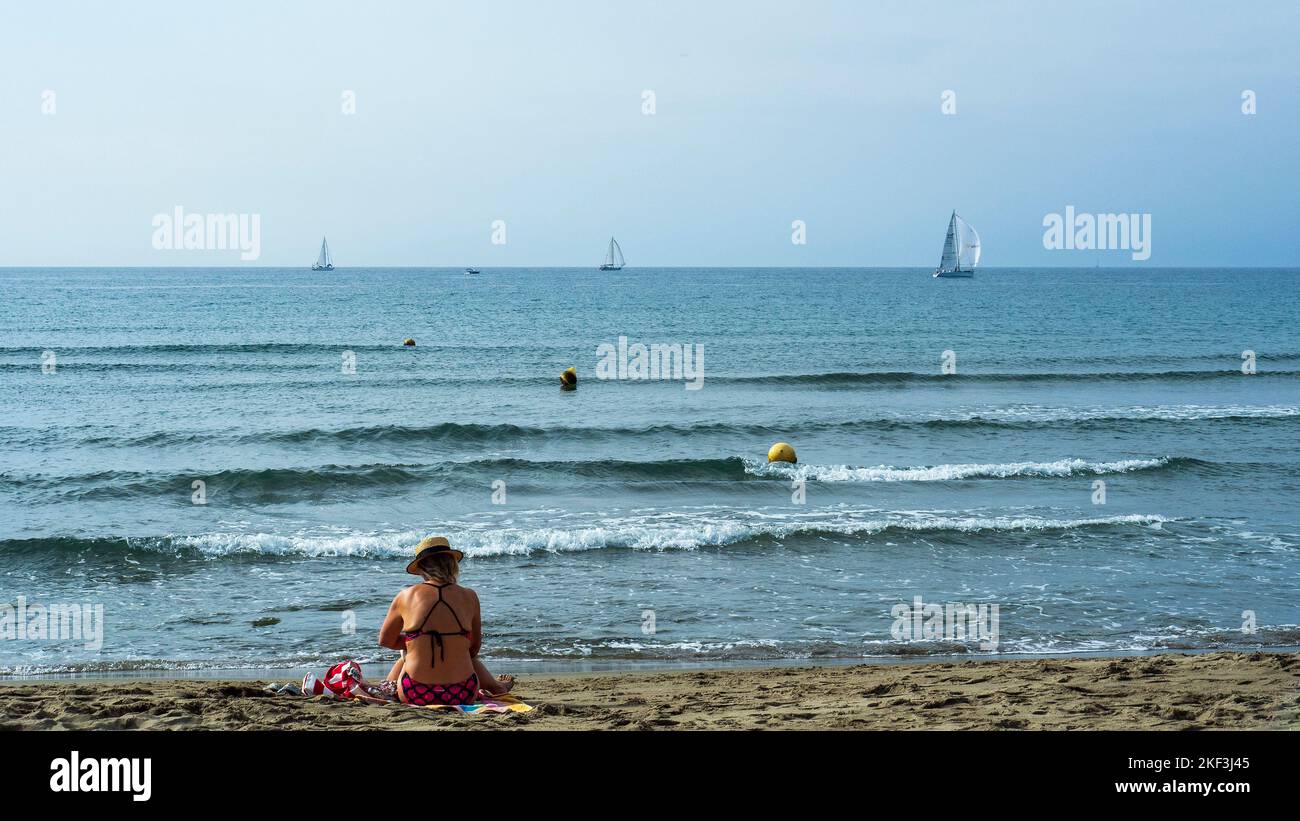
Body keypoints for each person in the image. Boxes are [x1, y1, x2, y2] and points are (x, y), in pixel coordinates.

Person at [378, 536, 514, 706]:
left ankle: (386, 688)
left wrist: (417, 643)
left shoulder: (405, 596)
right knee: (460, 649)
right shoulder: (469, 596)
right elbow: (473, 648)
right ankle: (497, 687)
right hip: (463, 692)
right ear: (452, 564)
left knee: (408, 650)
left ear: (421, 568)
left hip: (415, 692)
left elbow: (385, 640)